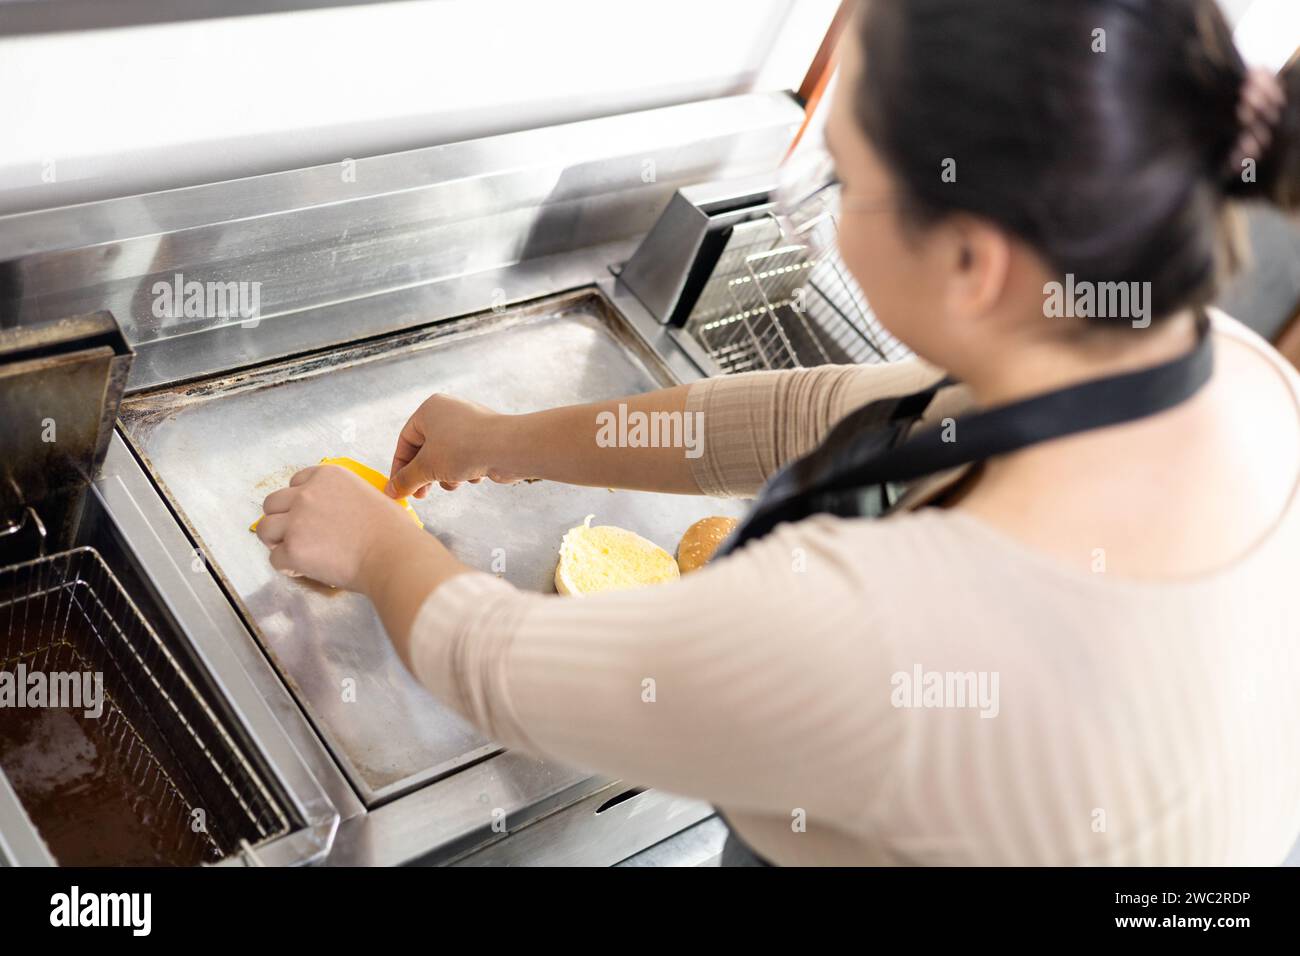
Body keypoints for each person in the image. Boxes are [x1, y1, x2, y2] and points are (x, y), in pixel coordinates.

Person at [254, 0, 1300, 865]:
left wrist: (379, 545)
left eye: (844, 182)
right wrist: (503, 437)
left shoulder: (889, 625)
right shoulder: (1215, 367)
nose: (819, 219)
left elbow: (505, 670)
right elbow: (810, 415)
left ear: (975, 263)